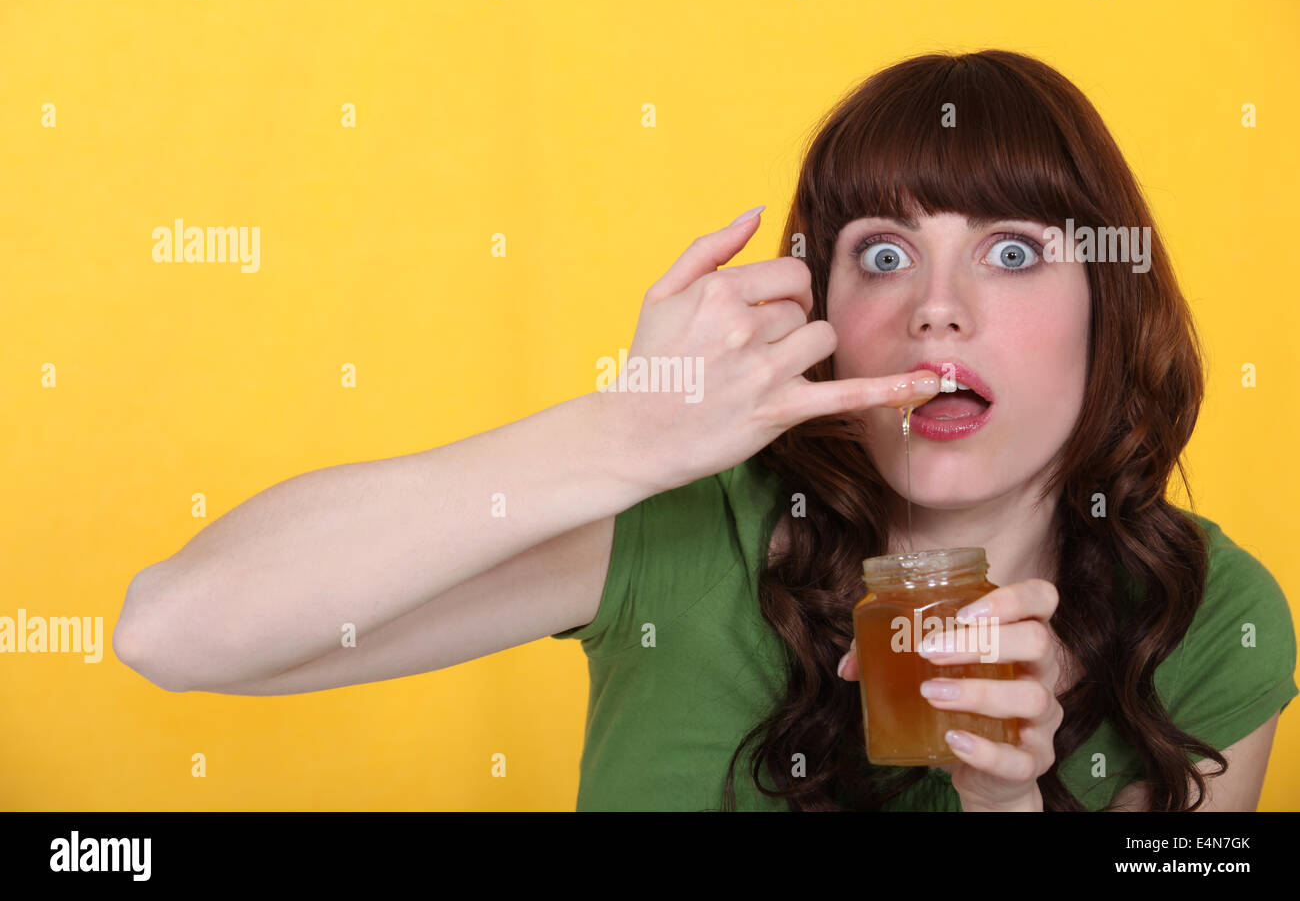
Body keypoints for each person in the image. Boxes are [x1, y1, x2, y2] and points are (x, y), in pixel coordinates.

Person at [114, 50, 1298, 812]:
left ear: (1107, 302)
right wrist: (628, 431)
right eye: (882, 253)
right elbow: (175, 630)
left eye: (1011, 251)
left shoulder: (1209, 614)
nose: (938, 305)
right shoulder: (691, 531)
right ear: (822, 312)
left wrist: (1007, 802)